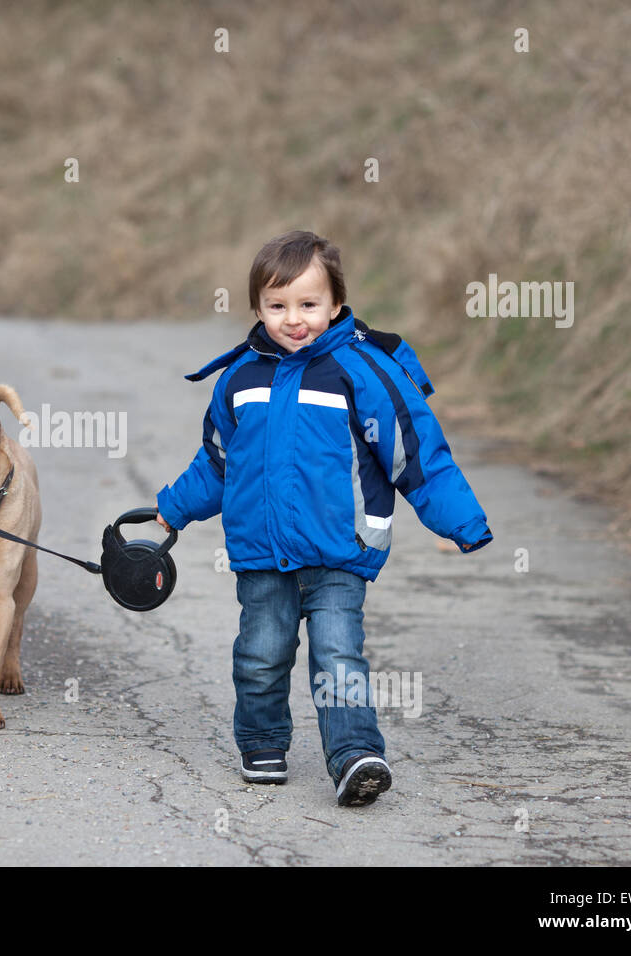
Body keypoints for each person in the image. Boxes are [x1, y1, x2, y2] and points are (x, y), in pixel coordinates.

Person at [155, 231, 492, 806]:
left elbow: (413, 453)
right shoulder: (239, 380)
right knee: (261, 653)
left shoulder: (360, 373)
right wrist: (169, 511)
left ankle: (355, 754)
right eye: (277, 305)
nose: (293, 319)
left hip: (342, 550)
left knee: (339, 654)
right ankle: (262, 742)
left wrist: (462, 522)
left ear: (336, 305)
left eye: (308, 305)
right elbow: (217, 463)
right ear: (258, 308)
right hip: (262, 552)